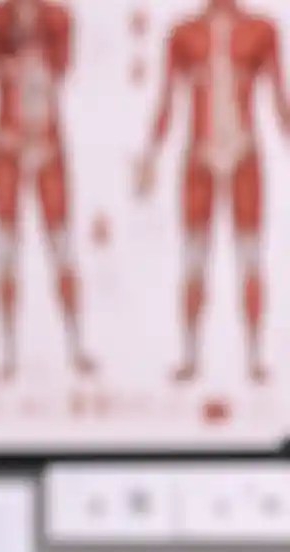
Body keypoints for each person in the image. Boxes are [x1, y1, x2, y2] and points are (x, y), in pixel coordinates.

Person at [138, 0, 290, 384]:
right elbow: (167, 101)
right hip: (200, 157)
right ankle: (190, 356)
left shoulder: (262, 30)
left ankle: (254, 356)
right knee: (194, 259)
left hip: (243, 154)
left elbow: (279, 102)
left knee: (250, 257)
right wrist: (150, 157)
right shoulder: (183, 33)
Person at [0, 0, 95, 381]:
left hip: (48, 146)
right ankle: (8, 355)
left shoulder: (59, 19)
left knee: (62, 249)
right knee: (6, 254)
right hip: (7, 146)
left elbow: (60, 76)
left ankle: (75, 345)